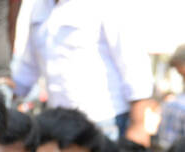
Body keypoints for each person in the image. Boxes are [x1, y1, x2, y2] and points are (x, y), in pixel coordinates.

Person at [11, 0, 155, 144]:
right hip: (59, 123)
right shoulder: (39, 6)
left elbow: (135, 64)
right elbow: (27, 69)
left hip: (104, 122)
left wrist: (138, 126)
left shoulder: (108, 4)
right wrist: (4, 97)